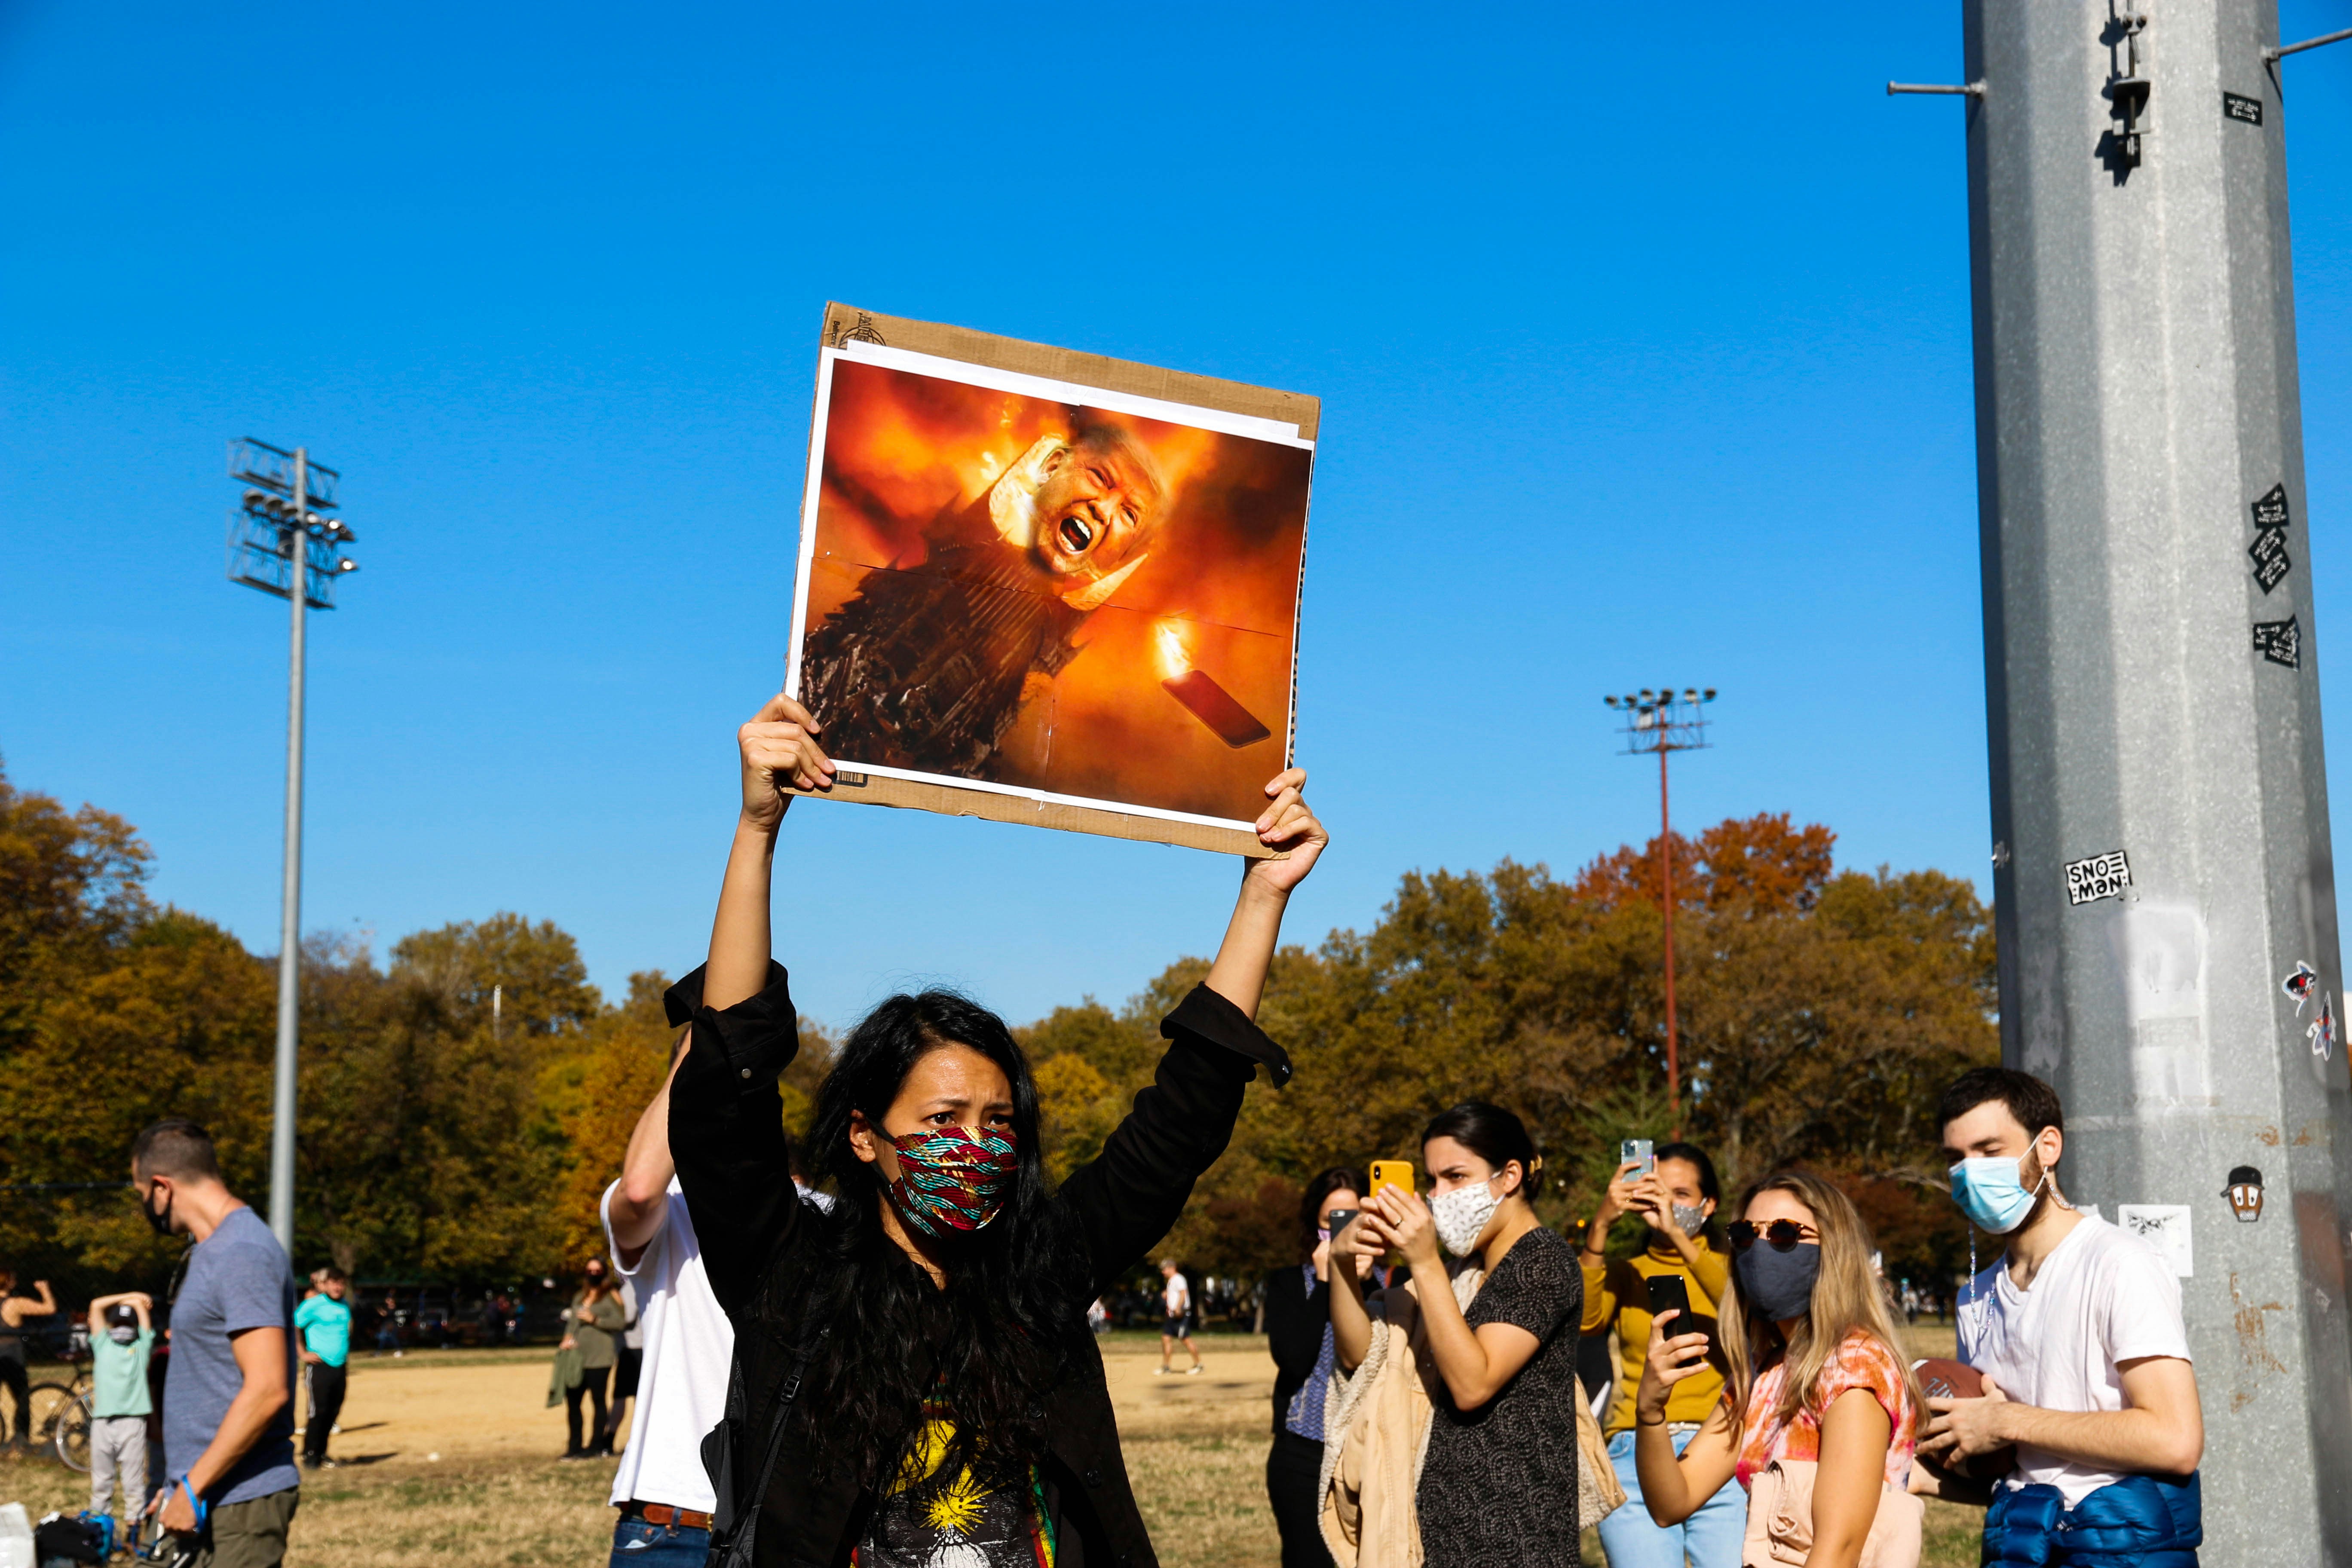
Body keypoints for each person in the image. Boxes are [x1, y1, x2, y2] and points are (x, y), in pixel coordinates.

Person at [669, 691, 1324, 1565]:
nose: (973, 1145)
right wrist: (757, 830)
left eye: (997, 1121)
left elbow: (1181, 1121)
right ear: (865, 1136)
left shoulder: (1042, 1274)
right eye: (942, 1119)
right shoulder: (792, 1277)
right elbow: (728, 1090)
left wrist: (1262, 897)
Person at [1917, 1068, 2205, 1566]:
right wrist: (1920, 1470)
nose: (1970, 1173)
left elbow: (2175, 1440)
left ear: (2047, 1147)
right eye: (1955, 1160)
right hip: (2023, 1545)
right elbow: (2016, 1468)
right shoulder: (1975, 1297)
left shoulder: (2120, 1263)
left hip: (2122, 1547)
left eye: (1989, 1152)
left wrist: (2007, 1420)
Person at [797, 419, 1171, 779]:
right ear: (1053, 464)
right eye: (1100, 478)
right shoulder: (956, 553)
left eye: (1129, 514)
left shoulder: (1040, 642)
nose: (1103, 510)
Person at [1326, 1103, 1584, 1568]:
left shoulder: (1543, 1259)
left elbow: (1473, 1383)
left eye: (1456, 1177)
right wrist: (1342, 1266)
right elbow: (1359, 1354)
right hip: (1447, 1531)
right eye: (1431, 1180)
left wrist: (1423, 1263)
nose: (1438, 1195)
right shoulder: (1462, 1271)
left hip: (1517, 1534)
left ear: (1509, 1176)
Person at [1633, 1169, 1923, 1568]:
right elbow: (1672, 1501)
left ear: (1834, 1250)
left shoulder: (1855, 1367)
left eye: (1785, 1234)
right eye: (1745, 1235)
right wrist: (1649, 1411)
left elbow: (1837, 1551)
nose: (1760, 1248)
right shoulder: (1763, 1372)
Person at [132, 1117, 300, 1568]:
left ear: (162, 1188)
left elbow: (267, 1390)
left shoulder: (242, 1253)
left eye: (142, 1194)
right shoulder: (212, 1251)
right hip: (201, 1495)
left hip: (239, 1502)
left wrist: (193, 1489)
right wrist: (175, 1487)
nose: (145, 1206)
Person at [597, 1024, 736, 1567]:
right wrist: (703, 1043)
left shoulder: (824, 1215)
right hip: (671, 1530)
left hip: (783, 1528)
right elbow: (639, 1190)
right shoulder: (670, 1211)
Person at [1577, 1141, 1743, 1568]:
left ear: (1709, 1206)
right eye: (1657, 1190)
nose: (1667, 1203)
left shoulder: (1735, 1268)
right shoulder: (1625, 1271)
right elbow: (1585, 1323)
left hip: (1721, 1450)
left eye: (1681, 1195)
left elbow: (1742, 1312)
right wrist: (1601, 1226)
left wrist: (1677, 1236)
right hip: (1636, 1450)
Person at [1262, 1167, 1367, 1568]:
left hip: (1371, 1455)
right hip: (1303, 1454)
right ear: (1315, 1225)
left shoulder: (1394, 1281)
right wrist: (1327, 1283)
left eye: (1353, 1218)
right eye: (1332, 1221)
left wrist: (1363, 1285)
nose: (1343, 1230)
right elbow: (1293, 1359)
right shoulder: (1290, 1284)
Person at [85, 1292, 155, 1537]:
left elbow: (147, 1327)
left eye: (129, 1325)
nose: (123, 1330)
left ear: (136, 1328)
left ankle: (133, 1531)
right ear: (110, 1326)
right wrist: (132, 1297)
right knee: (101, 1481)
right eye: (118, 1325)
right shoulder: (102, 1343)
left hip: (133, 1422)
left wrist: (138, 1305)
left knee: (133, 1483)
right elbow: (96, 1305)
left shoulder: (141, 1347)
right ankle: (99, 1531)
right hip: (103, 1422)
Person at [558, 1259, 624, 1460]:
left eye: (597, 1270)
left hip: (600, 1358)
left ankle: (595, 1446)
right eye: (589, 1270)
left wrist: (595, 1320)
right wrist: (566, 1339)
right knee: (574, 1402)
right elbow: (571, 1324)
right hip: (577, 1358)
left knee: (598, 1401)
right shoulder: (580, 1296)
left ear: (604, 1273)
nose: (593, 1273)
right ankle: (574, 1446)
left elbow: (620, 1322)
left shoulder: (611, 1296)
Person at [292, 1268, 351, 1469]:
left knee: (334, 1410)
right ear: (325, 1285)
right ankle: (310, 1456)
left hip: (340, 1366)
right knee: (318, 1411)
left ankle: (322, 1453)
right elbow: (294, 1325)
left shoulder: (344, 1305)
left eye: (341, 1283)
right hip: (319, 1367)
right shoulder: (313, 1305)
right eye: (333, 1283)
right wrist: (302, 1353)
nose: (337, 1287)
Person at [0, 1269, 55, 1452]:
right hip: (12, 1355)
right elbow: (49, 1309)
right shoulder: (15, 1304)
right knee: (22, 1398)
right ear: (9, 1283)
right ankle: (21, 1439)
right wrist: (44, 1290)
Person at [1157, 1259, 1202, 1376]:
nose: (1163, 1272)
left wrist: (1178, 1307)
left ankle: (1199, 1365)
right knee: (1166, 1339)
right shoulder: (1171, 1281)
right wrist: (1166, 1295)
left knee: (1185, 1339)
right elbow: (1175, 1294)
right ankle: (1166, 1367)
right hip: (1171, 1316)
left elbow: (1183, 1293)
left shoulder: (1179, 1279)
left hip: (1181, 1315)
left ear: (1172, 1268)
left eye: (1165, 1269)